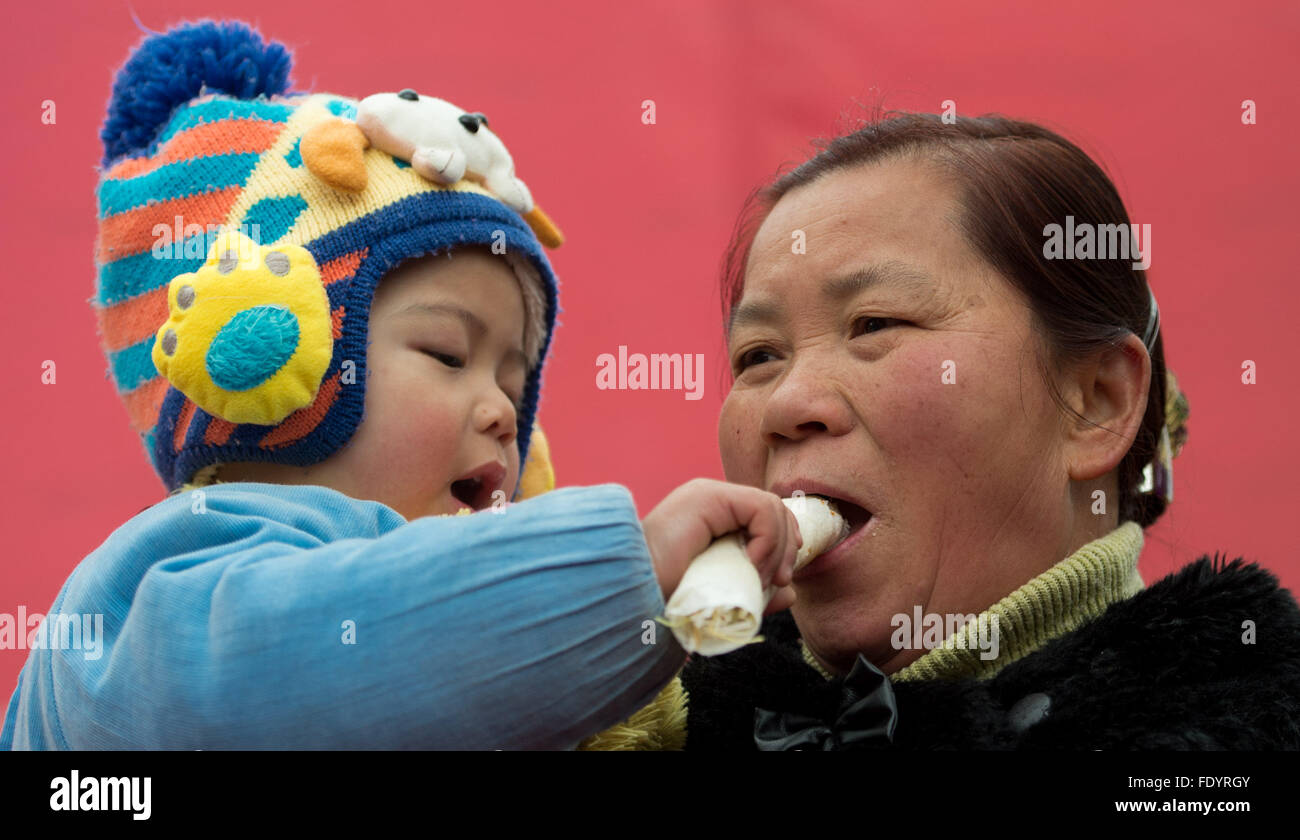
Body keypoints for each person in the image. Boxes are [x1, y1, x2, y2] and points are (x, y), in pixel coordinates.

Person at [0, 19, 802, 750]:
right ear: (273, 352)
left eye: (518, 387)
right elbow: (320, 657)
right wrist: (628, 575)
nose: (501, 414)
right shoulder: (151, 591)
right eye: (448, 354)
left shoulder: (443, 652)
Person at [605, 110, 1300, 749]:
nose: (790, 403)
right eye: (758, 356)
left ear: (1097, 402)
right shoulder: (655, 722)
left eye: (875, 324)